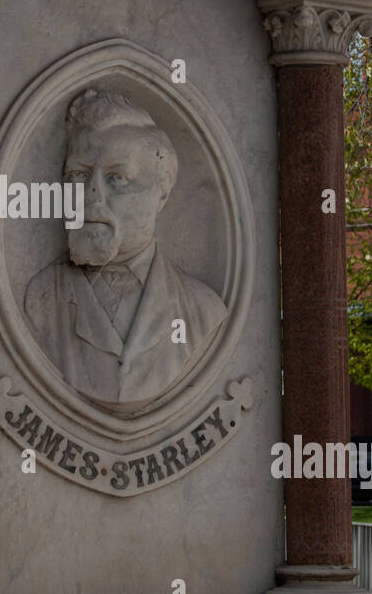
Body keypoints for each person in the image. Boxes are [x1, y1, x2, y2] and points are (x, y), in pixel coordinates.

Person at [24, 87, 226, 405]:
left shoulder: (203, 311)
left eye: (116, 177)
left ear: (161, 194)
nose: (91, 195)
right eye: (78, 174)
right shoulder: (38, 300)